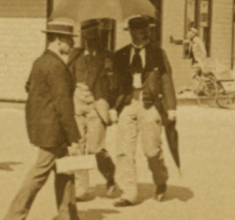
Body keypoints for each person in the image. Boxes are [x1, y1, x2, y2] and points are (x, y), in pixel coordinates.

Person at [2, 19, 81, 220]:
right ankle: (14, 216)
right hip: (54, 130)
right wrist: (74, 137)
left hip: (45, 126)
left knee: (66, 171)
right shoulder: (56, 66)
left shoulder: (40, 61)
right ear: (58, 40)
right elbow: (63, 104)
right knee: (39, 173)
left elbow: (29, 87)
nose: (72, 44)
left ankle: (68, 215)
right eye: (69, 40)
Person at [111, 14, 177, 207]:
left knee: (152, 150)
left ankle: (160, 180)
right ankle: (128, 193)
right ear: (131, 32)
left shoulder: (158, 53)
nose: (145, 33)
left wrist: (171, 107)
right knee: (124, 151)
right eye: (140, 30)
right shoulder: (121, 54)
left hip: (150, 104)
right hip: (127, 103)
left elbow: (166, 80)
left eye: (146, 30)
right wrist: (113, 107)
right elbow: (114, 83)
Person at [66, 19, 117, 200]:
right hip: (77, 103)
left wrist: (112, 107)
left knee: (96, 149)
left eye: (94, 37)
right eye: (87, 37)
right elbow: (67, 77)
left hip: (97, 105)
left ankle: (110, 176)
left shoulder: (108, 56)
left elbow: (114, 86)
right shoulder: (75, 55)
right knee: (77, 147)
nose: (91, 41)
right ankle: (81, 189)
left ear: (99, 35)